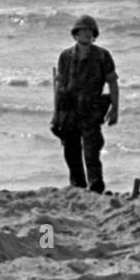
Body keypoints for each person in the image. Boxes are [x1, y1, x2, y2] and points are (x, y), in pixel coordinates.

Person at [51, 15, 118, 194]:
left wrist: (115, 110)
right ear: (76, 34)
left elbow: (112, 82)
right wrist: (56, 114)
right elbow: (60, 87)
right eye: (83, 30)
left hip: (91, 109)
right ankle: (78, 186)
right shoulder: (65, 57)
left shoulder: (102, 56)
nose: (86, 34)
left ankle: (96, 187)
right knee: (71, 151)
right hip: (70, 109)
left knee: (92, 151)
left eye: (90, 31)